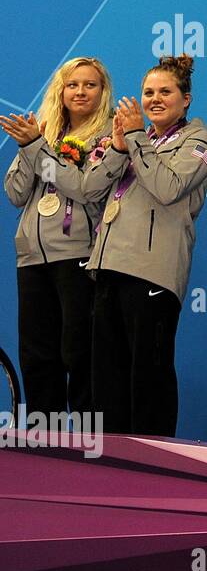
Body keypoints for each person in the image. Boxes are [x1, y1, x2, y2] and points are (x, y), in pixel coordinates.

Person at [82, 54, 207, 436]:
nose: (154, 99)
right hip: (108, 266)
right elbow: (89, 190)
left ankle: (155, 466)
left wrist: (138, 139)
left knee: (149, 374)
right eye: (148, 92)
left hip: (152, 273)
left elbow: (168, 188)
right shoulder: (132, 140)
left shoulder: (199, 141)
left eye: (165, 91)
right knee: (107, 377)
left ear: (186, 98)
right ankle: (111, 462)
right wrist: (118, 147)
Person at [2, 56, 114, 421]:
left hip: (77, 255)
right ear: (61, 91)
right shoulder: (44, 132)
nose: (80, 91)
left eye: (89, 85)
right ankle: (44, 443)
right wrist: (28, 147)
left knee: (78, 353)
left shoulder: (109, 136)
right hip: (32, 258)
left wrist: (37, 147)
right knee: (38, 356)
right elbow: (16, 193)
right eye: (73, 85)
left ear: (102, 92)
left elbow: (82, 189)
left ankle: (86, 444)